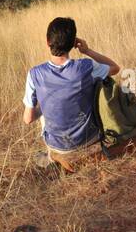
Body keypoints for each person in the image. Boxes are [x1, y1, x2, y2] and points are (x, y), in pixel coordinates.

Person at [22, 17, 121, 160]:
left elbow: (28, 119)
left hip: (56, 145)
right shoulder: (86, 67)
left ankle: (52, 155)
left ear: (48, 41)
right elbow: (115, 68)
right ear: (74, 43)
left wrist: (48, 104)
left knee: (43, 112)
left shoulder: (34, 74)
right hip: (90, 137)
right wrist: (87, 50)